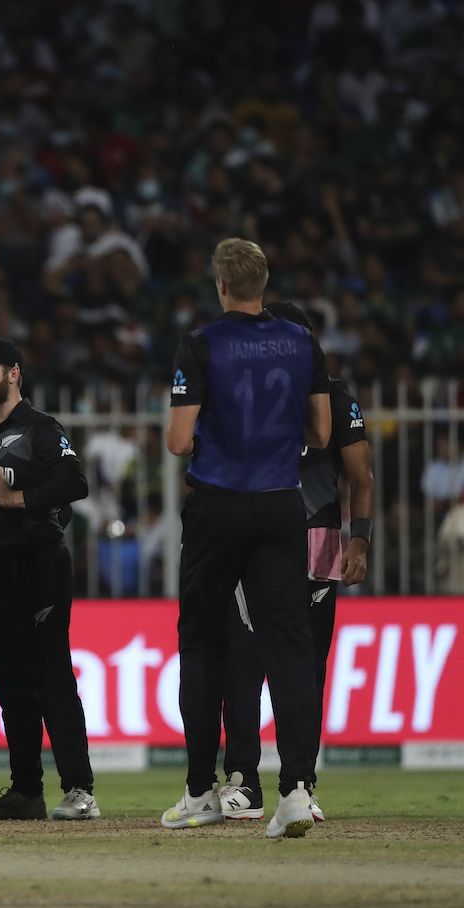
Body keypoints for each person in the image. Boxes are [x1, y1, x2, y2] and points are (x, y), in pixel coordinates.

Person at [162, 238, 331, 839]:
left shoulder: (202, 344)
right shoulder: (302, 341)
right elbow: (321, 429)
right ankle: (294, 792)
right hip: (283, 503)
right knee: (290, 648)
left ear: (222, 285)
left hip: (219, 504)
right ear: (263, 282)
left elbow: (179, 441)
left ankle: (202, 790)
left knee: (204, 643)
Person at [220, 302, 374, 824]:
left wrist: (360, 542)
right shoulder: (246, 393)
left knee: (306, 674)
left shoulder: (334, 396)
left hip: (315, 548)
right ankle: (243, 781)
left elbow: (361, 477)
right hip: (252, 544)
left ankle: (300, 784)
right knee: (241, 666)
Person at [0, 339, 97, 821]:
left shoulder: (41, 428)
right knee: (10, 683)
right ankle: (25, 791)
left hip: (38, 563)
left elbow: (75, 482)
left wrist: (19, 499)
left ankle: (79, 789)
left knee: (51, 676)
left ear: (14, 375)